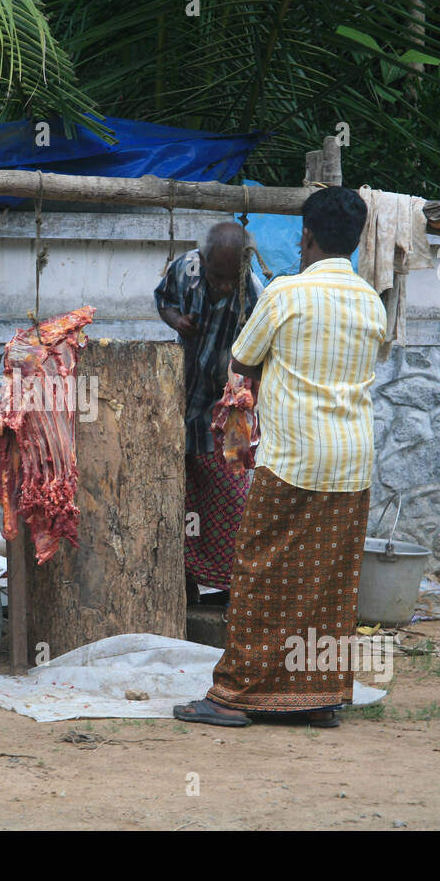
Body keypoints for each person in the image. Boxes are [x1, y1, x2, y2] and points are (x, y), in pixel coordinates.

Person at [174, 186, 386, 728]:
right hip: (353, 462)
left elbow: (242, 360)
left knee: (258, 575)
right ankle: (314, 698)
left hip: (295, 458)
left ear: (306, 237)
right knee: (330, 584)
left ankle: (232, 697)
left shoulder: (286, 294)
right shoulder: (371, 301)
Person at [154, 221, 261, 606]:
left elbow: (263, 356)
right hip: (180, 399)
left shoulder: (255, 292)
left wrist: (248, 402)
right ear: (204, 260)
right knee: (177, 497)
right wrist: (177, 320)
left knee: (234, 496)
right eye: (219, 277)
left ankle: (239, 589)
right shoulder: (185, 269)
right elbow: (163, 301)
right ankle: (184, 586)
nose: (225, 287)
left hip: (229, 409)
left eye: (231, 279)